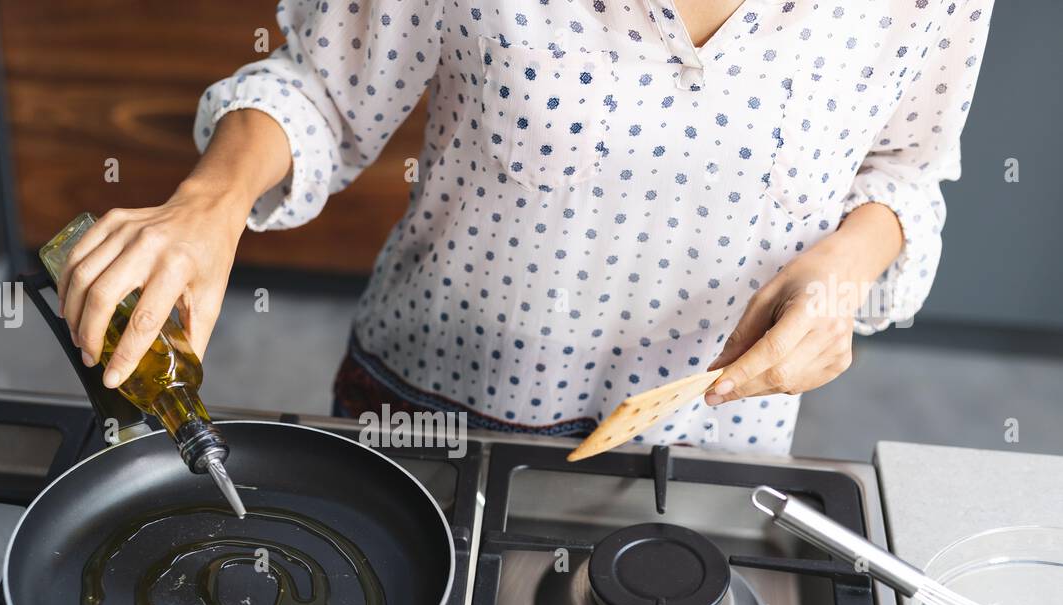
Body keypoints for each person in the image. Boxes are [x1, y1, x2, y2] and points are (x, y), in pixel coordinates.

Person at [54, 0, 993, 453]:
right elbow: (324, 91)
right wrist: (209, 201)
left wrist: (846, 267)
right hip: (428, 411)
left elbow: (907, 165)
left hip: (712, 446)